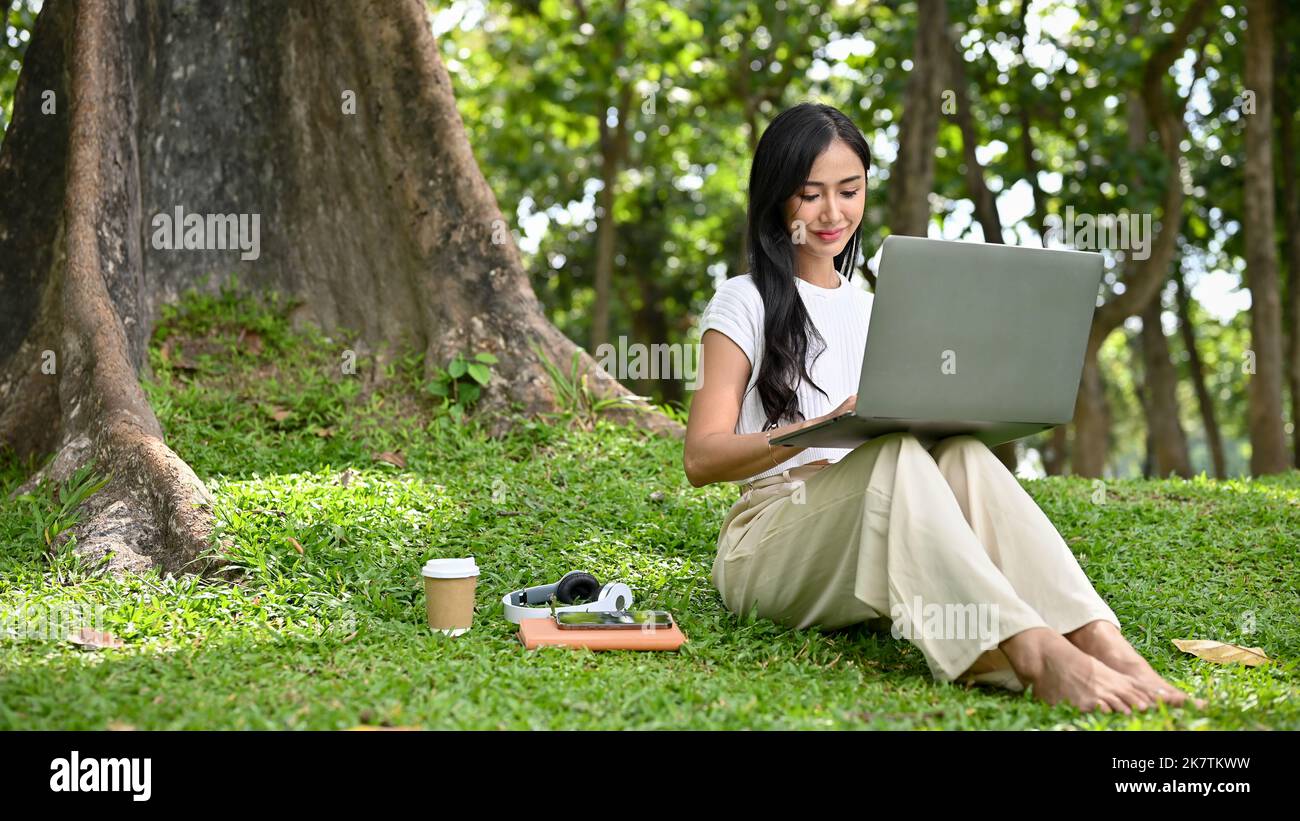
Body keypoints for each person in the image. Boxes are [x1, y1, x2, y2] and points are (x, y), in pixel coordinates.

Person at [682, 102, 1203, 714]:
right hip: (770, 542)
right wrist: (818, 430)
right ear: (776, 197)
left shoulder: (877, 308)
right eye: (810, 193)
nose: (832, 213)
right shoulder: (742, 302)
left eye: (849, 191)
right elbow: (701, 457)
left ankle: (1100, 642)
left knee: (964, 454)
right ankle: (1036, 654)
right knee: (894, 455)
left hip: (873, 526)